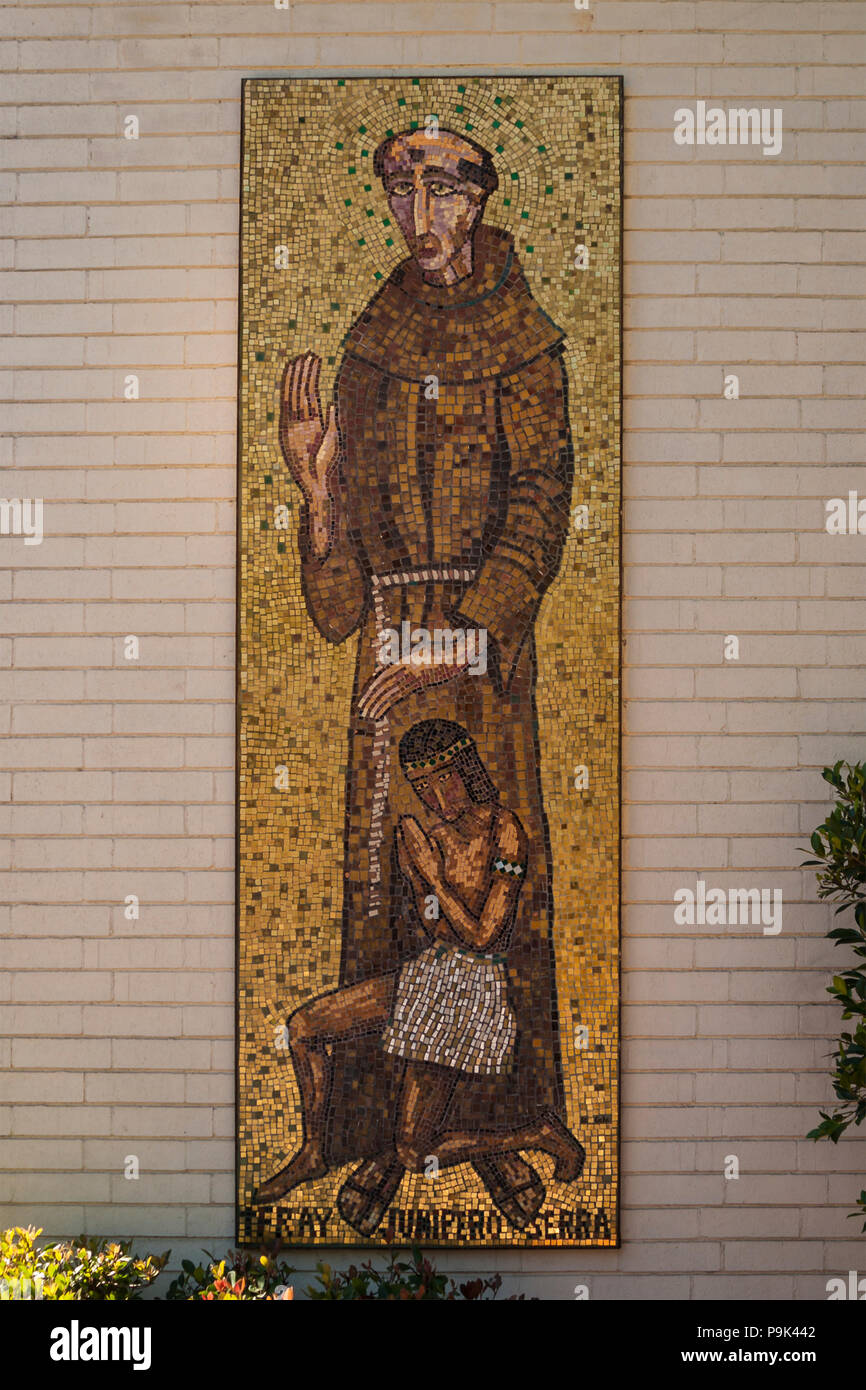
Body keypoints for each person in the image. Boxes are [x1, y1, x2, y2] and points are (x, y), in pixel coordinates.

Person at [270, 124, 579, 1228]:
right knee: (389, 906)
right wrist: (314, 490)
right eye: (399, 183)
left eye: (442, 181)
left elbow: (541, 512)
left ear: (483, 196)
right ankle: (379, 1140)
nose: (419, 204)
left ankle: (491, 1128)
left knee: (485, 906)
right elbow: (336, 604)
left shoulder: (526, 341)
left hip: (480, 665)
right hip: (385, 652)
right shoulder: (371, 343)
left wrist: (454, 639)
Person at [254, 721, 584, 1231]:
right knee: (303, 1029)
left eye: (444, 779)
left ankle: (536, 1133)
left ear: (466, 771)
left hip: (472, 988)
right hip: (429, 974)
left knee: (413, 1150)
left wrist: (431, 873)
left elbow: (483, 937)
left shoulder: (505, 830)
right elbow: (435, 925)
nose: (435, 796)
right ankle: (315, 1149)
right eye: (422, 785)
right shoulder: (427, 835)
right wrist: (417, 870)